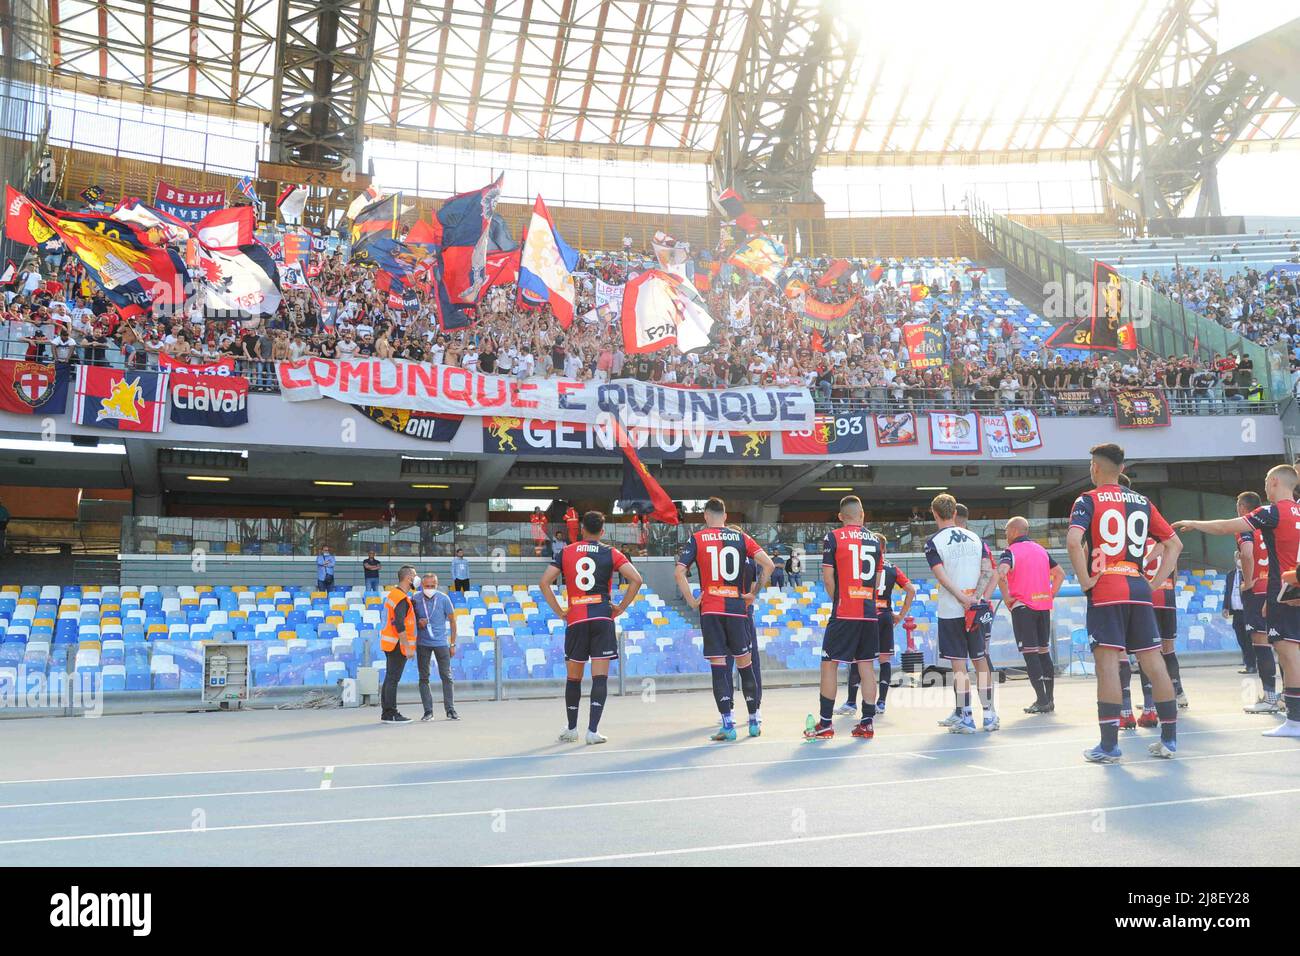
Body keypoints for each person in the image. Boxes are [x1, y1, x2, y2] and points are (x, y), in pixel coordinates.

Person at [1068, 443, 1182, 762]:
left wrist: (1085, 580)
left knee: (1107, 666)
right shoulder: (1143, 501)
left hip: (1106, 587)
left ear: (1095, 467)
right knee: (1153, 663)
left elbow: (1074, 541)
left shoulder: (1087, 500)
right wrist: (1154, 582)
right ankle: (1169, 740)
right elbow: (1174, 543)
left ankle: (1109, 746)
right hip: (1137, 585)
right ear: (1122, 469)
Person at [1174, 464, 1300, 738]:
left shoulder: (1271, 512)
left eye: (1267, 480)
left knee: (1289, 657)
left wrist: (1194, 523)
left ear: (1275, 481)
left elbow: (1223, 527)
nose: (1265, 486)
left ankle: (1294, 719)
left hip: (1282, 590)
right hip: (1294, 587)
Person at [540, 511, 643, 745]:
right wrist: (621, 607)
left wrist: (560, 611)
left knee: (573, 678)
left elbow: (544, 581)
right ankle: (593, 731)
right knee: (600, 678)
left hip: (576, 618)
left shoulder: (566, 551)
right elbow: (636, 578)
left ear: (581, 529)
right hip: (602, 618)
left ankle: (572, 728)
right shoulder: (611, 552)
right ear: (602, 532)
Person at [675, 497, 774, 741]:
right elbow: (769, 565)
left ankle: (728, 725)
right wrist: (753, 593)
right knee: (745, 666)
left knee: (719, 669)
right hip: (737, 609)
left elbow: (679, 572)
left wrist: (691, 599)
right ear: (726, 516)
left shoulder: (697, 538)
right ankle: (753, 721)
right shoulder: (741, 537)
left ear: (706, 516)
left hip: (711, 610)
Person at [805, 496, 884, 740]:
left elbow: (828, 578)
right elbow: (878, 583)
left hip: (844, 611)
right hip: (869, 612)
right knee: (866, 666)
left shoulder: (833, 537)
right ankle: (867, 723)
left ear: (840, 517)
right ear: (862, 515)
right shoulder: (875, 541)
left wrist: (838, 600)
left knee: (829, 664)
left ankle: (826, 723)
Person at [927, 493, 999, 733]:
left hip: (951, 610)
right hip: (975, 608)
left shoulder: (934, 542)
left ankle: (966, 717)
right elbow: (988, 571)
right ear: (955, 513)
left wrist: (961, 598)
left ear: (935, 513)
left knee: (959, 666)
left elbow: (941, 575)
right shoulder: (975, 538)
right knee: (980, 661)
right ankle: (989, 715)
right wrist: (976, 598)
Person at [996, 516, 1064, 714]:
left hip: (1023, 607)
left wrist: (1007, 596)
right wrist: (1050, 594)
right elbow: (1060, 573)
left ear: (1015, 531)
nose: (1006, 535)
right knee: (1044, 653)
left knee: (1030, 654)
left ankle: (1041, 700)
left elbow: (1001, 573)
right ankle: (1049, 700)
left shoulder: (1010, 552)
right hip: (1043, 606)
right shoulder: (1041, 550)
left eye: (1007, 531)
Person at [1235, 491, 1278, 711]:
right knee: (1284, 646)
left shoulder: (1245, 526)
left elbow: (1248, 552)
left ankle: (1270, 698)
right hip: (1275, 589)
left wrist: (1249, 582)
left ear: (1243, 507)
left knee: (1261, 645)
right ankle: (1285, 697)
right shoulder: (1271, 523)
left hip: (1258, 590)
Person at [413, 572, 458, 721]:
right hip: (422, 643)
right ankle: (428, 711)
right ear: (422, 586)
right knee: (424, 677)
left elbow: (452, 621)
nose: (430, 588)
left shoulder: (444, 599)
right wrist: (418, 623)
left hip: (441, 643)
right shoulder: (415, 599)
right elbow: (409, 621)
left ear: (437, 585)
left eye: (433, 586)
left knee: (447, 676)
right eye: (427, 586)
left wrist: (452, 643)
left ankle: (450, 710)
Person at [378, 565, 418, 724]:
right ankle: (392, 713)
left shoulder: (394, 595)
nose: (417, 578)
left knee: (389, 678)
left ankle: (386, 712)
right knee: (393, 679)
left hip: (390, 643)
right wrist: (407, 647)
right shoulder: (401, 598)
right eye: (415, 575)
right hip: (397, 645)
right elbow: (399, 624)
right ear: (408, 578)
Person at [1225, 555, 1255, 674]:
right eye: (1237, 558)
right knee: (1241, 639)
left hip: (1247, 612)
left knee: (1249, 640)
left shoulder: (1249, 573)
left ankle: (1252, 665)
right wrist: (1225, 607)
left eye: (1240, 557)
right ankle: (1248, 663)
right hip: (1236, 612)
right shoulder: (1230, 574)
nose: (1239, 560)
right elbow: (1227, 591)